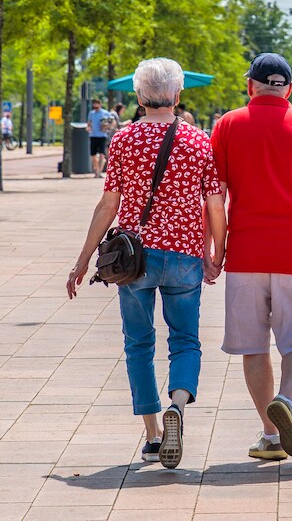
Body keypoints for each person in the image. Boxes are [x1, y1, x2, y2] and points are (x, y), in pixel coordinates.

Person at [65, 58, 226, 469]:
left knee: (139, 343)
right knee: (185, 339)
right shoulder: (198, 141)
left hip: (134, 258)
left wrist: (83, 259)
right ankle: (178, 404)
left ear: (138, 97)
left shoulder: (122, 140)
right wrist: (216, 252)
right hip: (186, 254)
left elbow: (108, 204)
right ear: (178, 94)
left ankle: (154, 434)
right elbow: (214, 204)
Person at [210, 53, 292, 461]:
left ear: (251, 85)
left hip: (246, 255)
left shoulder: (228, 125)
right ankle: (285, 398)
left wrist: (216, 250)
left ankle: (270, 436)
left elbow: (215, 197)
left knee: (254, 347)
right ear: (289, 89)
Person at [87, 98, 116, 178]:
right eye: (94, 105)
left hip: (102, 136)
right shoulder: (91, 113)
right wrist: (88, 127)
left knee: (102, 154)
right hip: (93, 135)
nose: (95, 107)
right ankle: (96, 170)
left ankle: (99, 172)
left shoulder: (105, 113)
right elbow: (89, 123)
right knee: (93, 155)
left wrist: (109, 128)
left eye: (97, 105)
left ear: (100, 105)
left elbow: (113, 121)